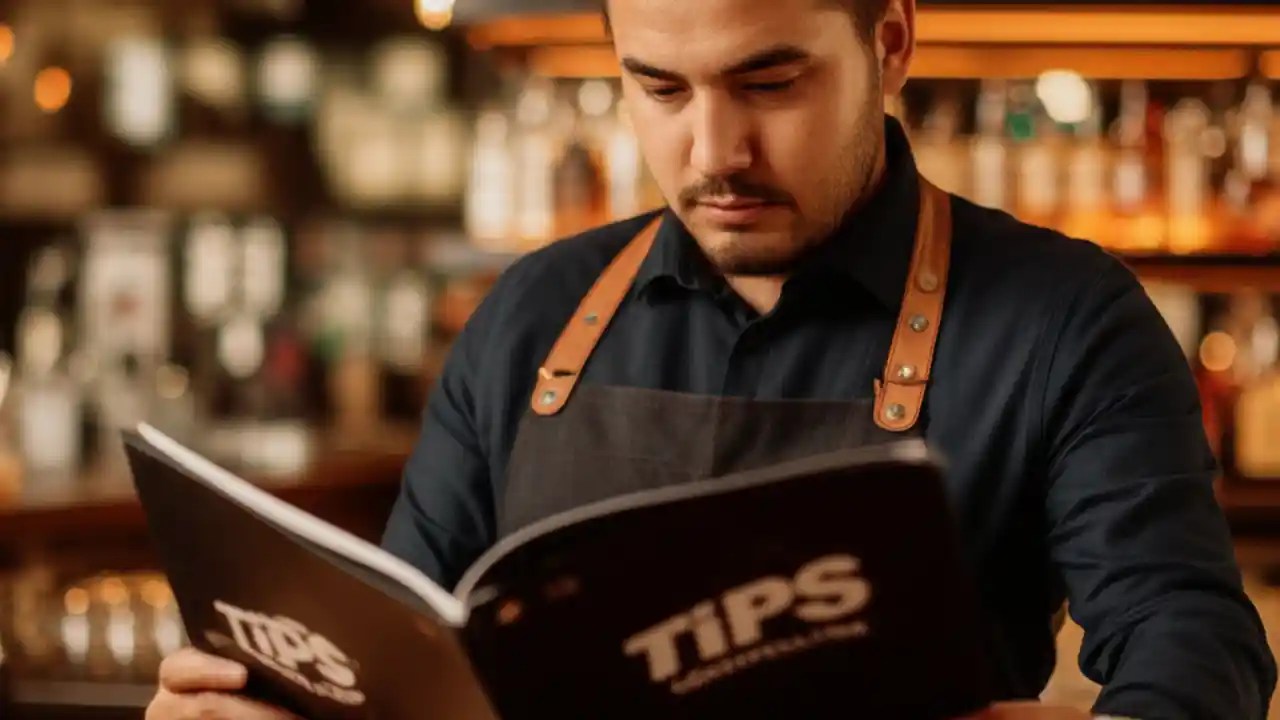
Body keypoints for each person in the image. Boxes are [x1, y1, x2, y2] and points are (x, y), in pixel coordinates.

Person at [145, 0, 1277, 718]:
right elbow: (401, 655)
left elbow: (1196, 644)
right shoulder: (531, 318)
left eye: (769, 83)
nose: (712, 152)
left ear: (887, 44)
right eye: (659, 88)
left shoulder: (1063, 319)